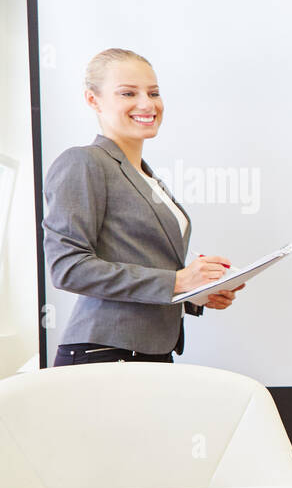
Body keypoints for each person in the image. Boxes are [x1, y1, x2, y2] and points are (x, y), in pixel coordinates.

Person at [43, 48, 242, 366]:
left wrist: (198, 292)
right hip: (105, 353)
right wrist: (178, 281)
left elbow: (146, 264)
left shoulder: (149, 178)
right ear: (93, 100)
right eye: (128, 93)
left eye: (154, 92)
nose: (147, 104)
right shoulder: (84, 162)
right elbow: (68, 267)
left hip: (150, 354)